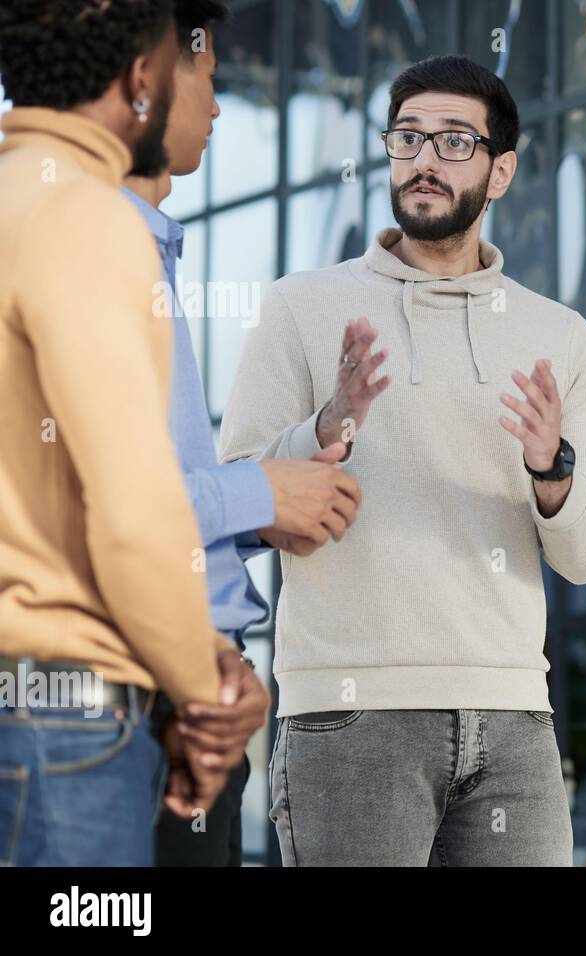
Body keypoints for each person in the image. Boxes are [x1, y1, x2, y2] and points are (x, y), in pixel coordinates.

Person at [219, 54, 586, 866]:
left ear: (501, 171)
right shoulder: (302, 306)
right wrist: (326, 426)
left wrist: (552, 468)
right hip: (349, 715)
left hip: (515, 722)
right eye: (407, 138)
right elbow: (237, 502)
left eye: (452, 141)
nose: (424, 161)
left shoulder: (563, 337)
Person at [0, 0, 253, 865]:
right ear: (142, 77)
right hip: (61, 722)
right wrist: (203, 692)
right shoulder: (86, 221)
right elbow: (136, 516)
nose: (212, 101)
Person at [121, 0, 362, 866]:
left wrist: (277, 490)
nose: (219, 105)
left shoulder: (149, 252)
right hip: (135, 703)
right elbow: (87, 508)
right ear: (150, 74)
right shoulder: (98, 249)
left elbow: (155, 499)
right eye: (210, 74)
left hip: (186, 700)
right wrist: (262, 490)